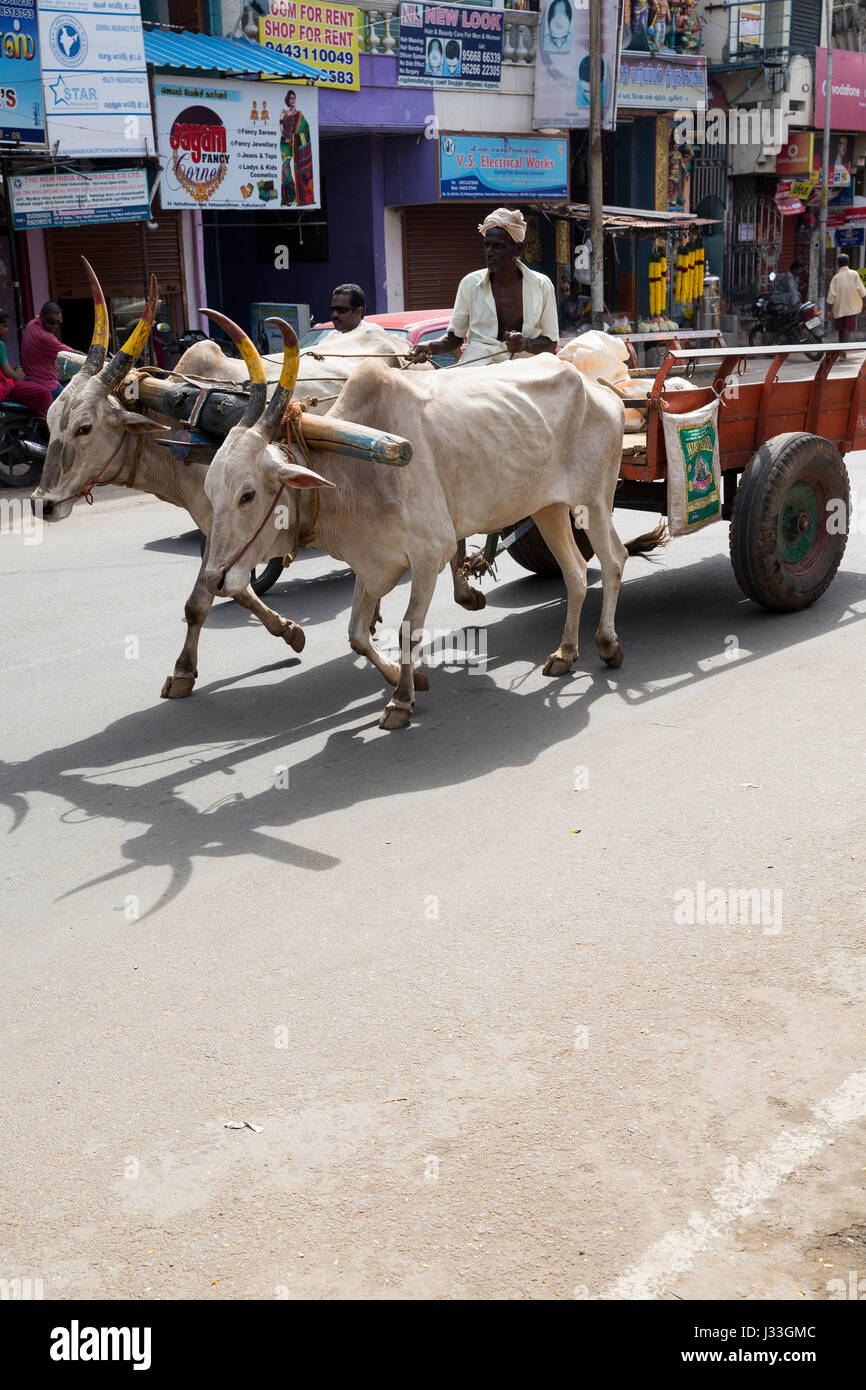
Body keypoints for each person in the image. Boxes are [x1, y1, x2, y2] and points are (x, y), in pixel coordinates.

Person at [409, 208, 559, 368]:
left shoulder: (541, 285)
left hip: (525, 369)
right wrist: (429, 347)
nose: (489, 253)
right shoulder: (469, 284)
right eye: (487, 246)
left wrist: (526, 344)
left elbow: (551, 343)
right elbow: (453, 340)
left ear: (517, 249)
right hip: (477, 368)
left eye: (498, 247)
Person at [20, 302, 72, 411]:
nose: (55, 326)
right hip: (45, 383)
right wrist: (100, 358)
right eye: (51, 322)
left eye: (58, 322)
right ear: (42, 316)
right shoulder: (45, 337)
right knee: (72, 405)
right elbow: (71, 354)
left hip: (32, 378)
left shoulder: (31, 324)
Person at [280, 90, 314, 207]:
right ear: (287, 100)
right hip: (286, 143)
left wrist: (297, 137)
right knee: (285, 167)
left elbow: (305, 128)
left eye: (294, 98)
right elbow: (283, 131)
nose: (293, 100)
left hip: (297, 143)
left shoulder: (299, 114)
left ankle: (303, 197)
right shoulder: (285, 114)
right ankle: (289, 197)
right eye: (290, 98)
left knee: (299, 168)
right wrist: (281, 118)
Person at [826, 253, 866, 345]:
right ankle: (843, 351)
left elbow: (831, 294)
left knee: (841, 329)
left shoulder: (836, 277)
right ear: (848, 262)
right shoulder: (855, 274)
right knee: (846, 329)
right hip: (852, 307)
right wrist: (864, 303)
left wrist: (829, 309)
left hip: (839, 307)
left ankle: (842, 350)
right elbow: (862, 291)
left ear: (838, 264)